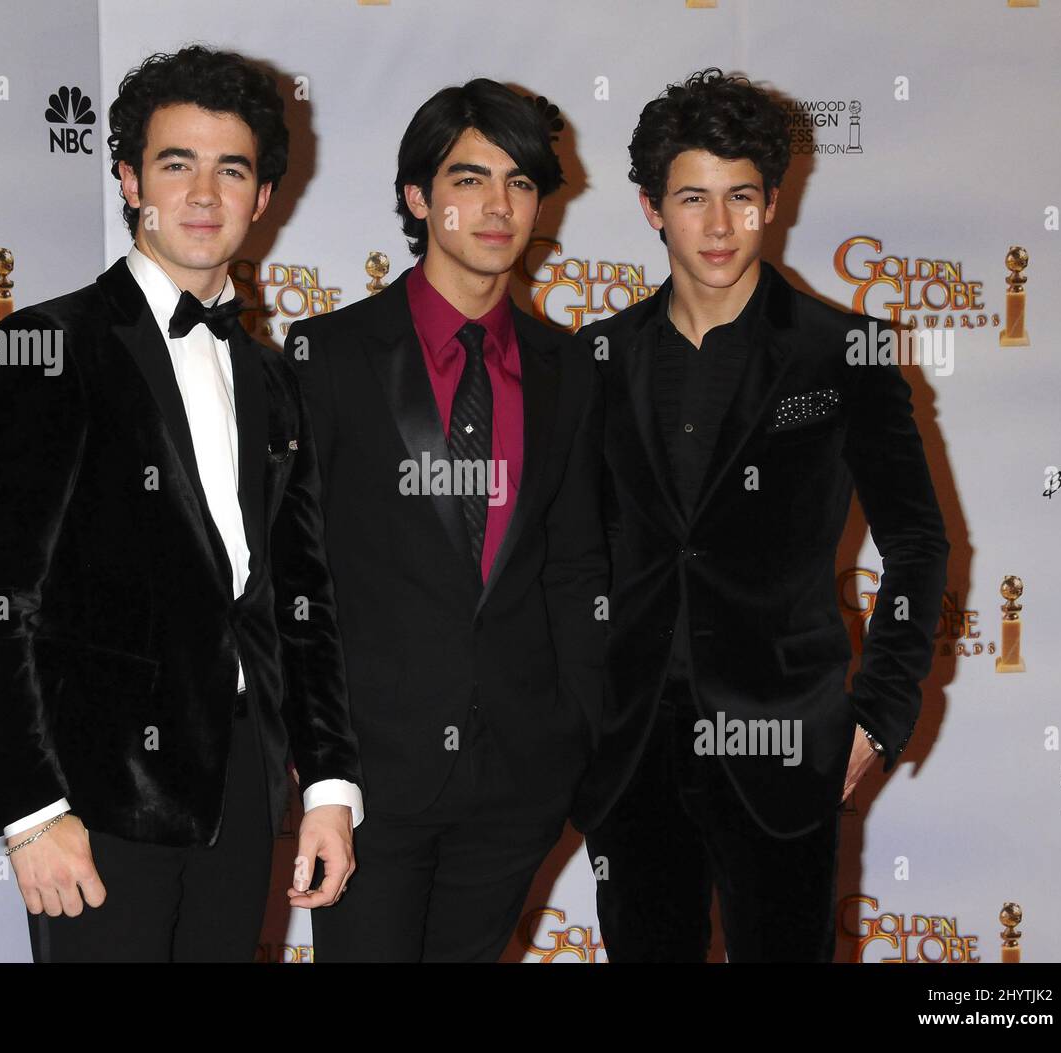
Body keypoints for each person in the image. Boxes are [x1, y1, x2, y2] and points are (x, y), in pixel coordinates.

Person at [0, 45, 362, 963]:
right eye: (176, 164)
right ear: (130, 179)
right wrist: (29, 810)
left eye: (232, 169)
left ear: (263, 197)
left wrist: (328, 785)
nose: (204, 193)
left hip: (244, 793)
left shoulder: (272, 377)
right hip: (96, 803)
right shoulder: (49, 345)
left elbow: (303, 598)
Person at [574, 68, 949, 962]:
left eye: (740, 196)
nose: (717, 225)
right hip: (632, 753)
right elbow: (572, 553)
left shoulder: (842, 351)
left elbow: (917, 540)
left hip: (787, 738)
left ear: (773, 202)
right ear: (650, 208)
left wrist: (880, 713)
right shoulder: (595, 358)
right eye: (692, 197)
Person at [286, 79, 607, 961]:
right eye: (469, 179)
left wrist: (574, 729)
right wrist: (321, 765)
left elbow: (577, 566)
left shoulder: (569, 369)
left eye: (520, 182)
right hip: (370, 782)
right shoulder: (328, 358)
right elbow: (296, 569)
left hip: (517, 780)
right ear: (418, 196)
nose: (497, 206)